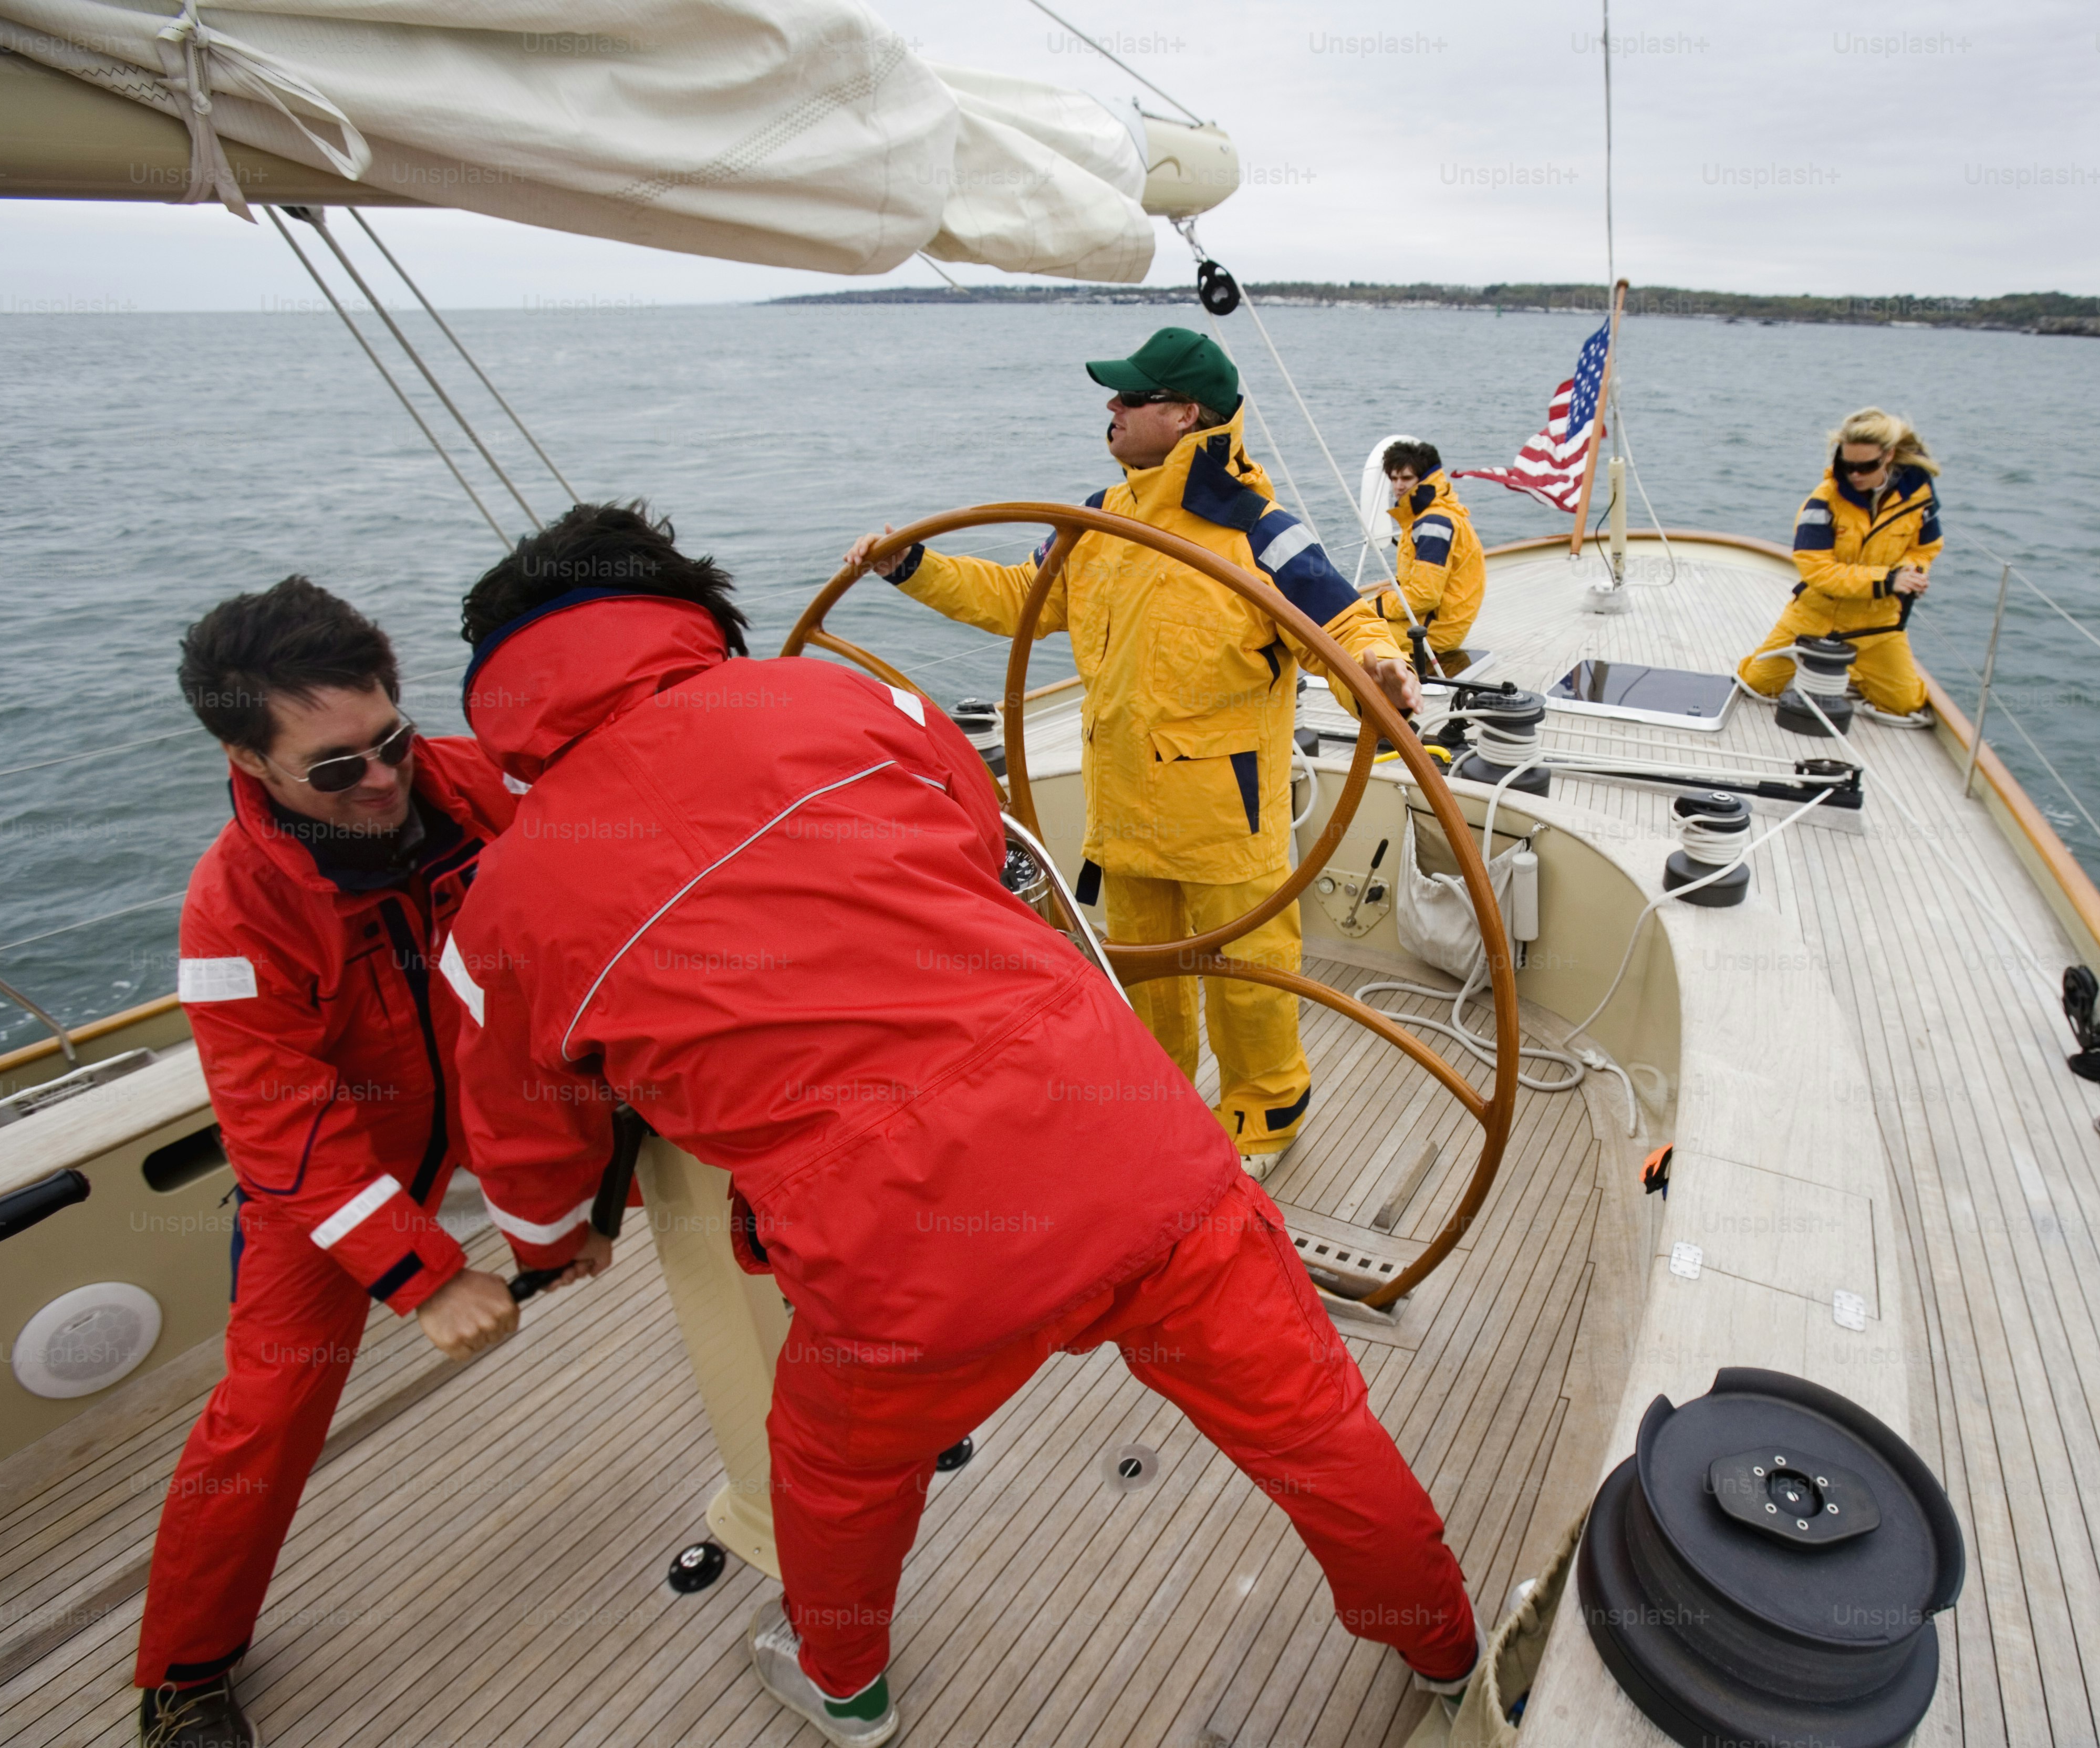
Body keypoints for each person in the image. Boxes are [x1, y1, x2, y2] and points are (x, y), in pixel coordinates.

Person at [442, 503, 1479, 1747]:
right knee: (1312, 1423)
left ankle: (848, 1690)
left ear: (501, 699)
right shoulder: (844, 705)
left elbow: (529, 1145)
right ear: (693, 616)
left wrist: (555, 1245)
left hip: (902, 1266)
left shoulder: (500, 913)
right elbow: (980, 841)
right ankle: (1444, 1644)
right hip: (1134, 1148)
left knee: (832, 1477)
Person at [843, 328, 1420, 1175]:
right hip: (1123, 813)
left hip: (1227, 819)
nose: (1110, 408)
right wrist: (912, 567)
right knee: (1143, 982)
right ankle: (1162, 1115)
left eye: (1130, 396)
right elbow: (1021, 598)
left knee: (1248, 980)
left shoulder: (1263, 533)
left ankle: (1266, 1117)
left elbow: (1343, 624)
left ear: (1185, 415)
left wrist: (1380, 666)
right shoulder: (1097, 522)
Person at [138, 578, 534, 1747]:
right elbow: (284, 1124)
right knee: (264, 1411)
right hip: (339, 1169)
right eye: (334, 767)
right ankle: (186, 1671)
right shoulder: (233, 912)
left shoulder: (469, 782)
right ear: (247, 759)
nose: (382, 779)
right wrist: (425, 1273)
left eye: (390, 740)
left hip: (502, 1092)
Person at [1735, 407, 1944, 727]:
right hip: (1815, 616)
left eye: (1866, 466)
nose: (1855, 475)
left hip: (1878, 624)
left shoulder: (1919, 498)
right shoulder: (1822, 502)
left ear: (1888, 457)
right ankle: (1846, 668)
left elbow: (1925, 547)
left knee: (1904, 706)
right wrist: (1888, 581)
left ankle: (1855, 670)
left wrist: (1911, 573)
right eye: (1848, 466)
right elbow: (1818, 571)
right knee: (1757, 685)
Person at [1372, 439, 1486, 677]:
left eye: (1406, 478)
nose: (1398, 486)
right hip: (1439, 620)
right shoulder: (1435, 514)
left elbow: (1425, 596)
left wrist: (1378, 607)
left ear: (1425, 480)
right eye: (1394, 479)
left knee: (1354, 634)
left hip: (1437, 629)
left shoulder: (1434, 524)